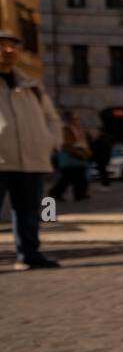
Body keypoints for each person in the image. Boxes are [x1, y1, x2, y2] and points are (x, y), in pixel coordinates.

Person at [0, 28, 61, 270]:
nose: (9, 50)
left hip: (33, 158)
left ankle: (29, 254)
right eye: (3, 45)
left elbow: (52, 119)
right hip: (2, 158)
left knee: (29, 211)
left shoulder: (32, 85)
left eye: (13, 46)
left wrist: (50, 142)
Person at [49, 110, 93, 202]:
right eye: (76, 119)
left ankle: (79, 194)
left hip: (79, 157)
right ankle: (57, 193)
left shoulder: (78, 129)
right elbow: (66, 144)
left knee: (78, 178)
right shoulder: (66, 130)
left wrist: (86, 152)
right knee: (69, 178)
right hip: (70, 157)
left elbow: (83, 142)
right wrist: (78, 151)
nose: (78, 121)